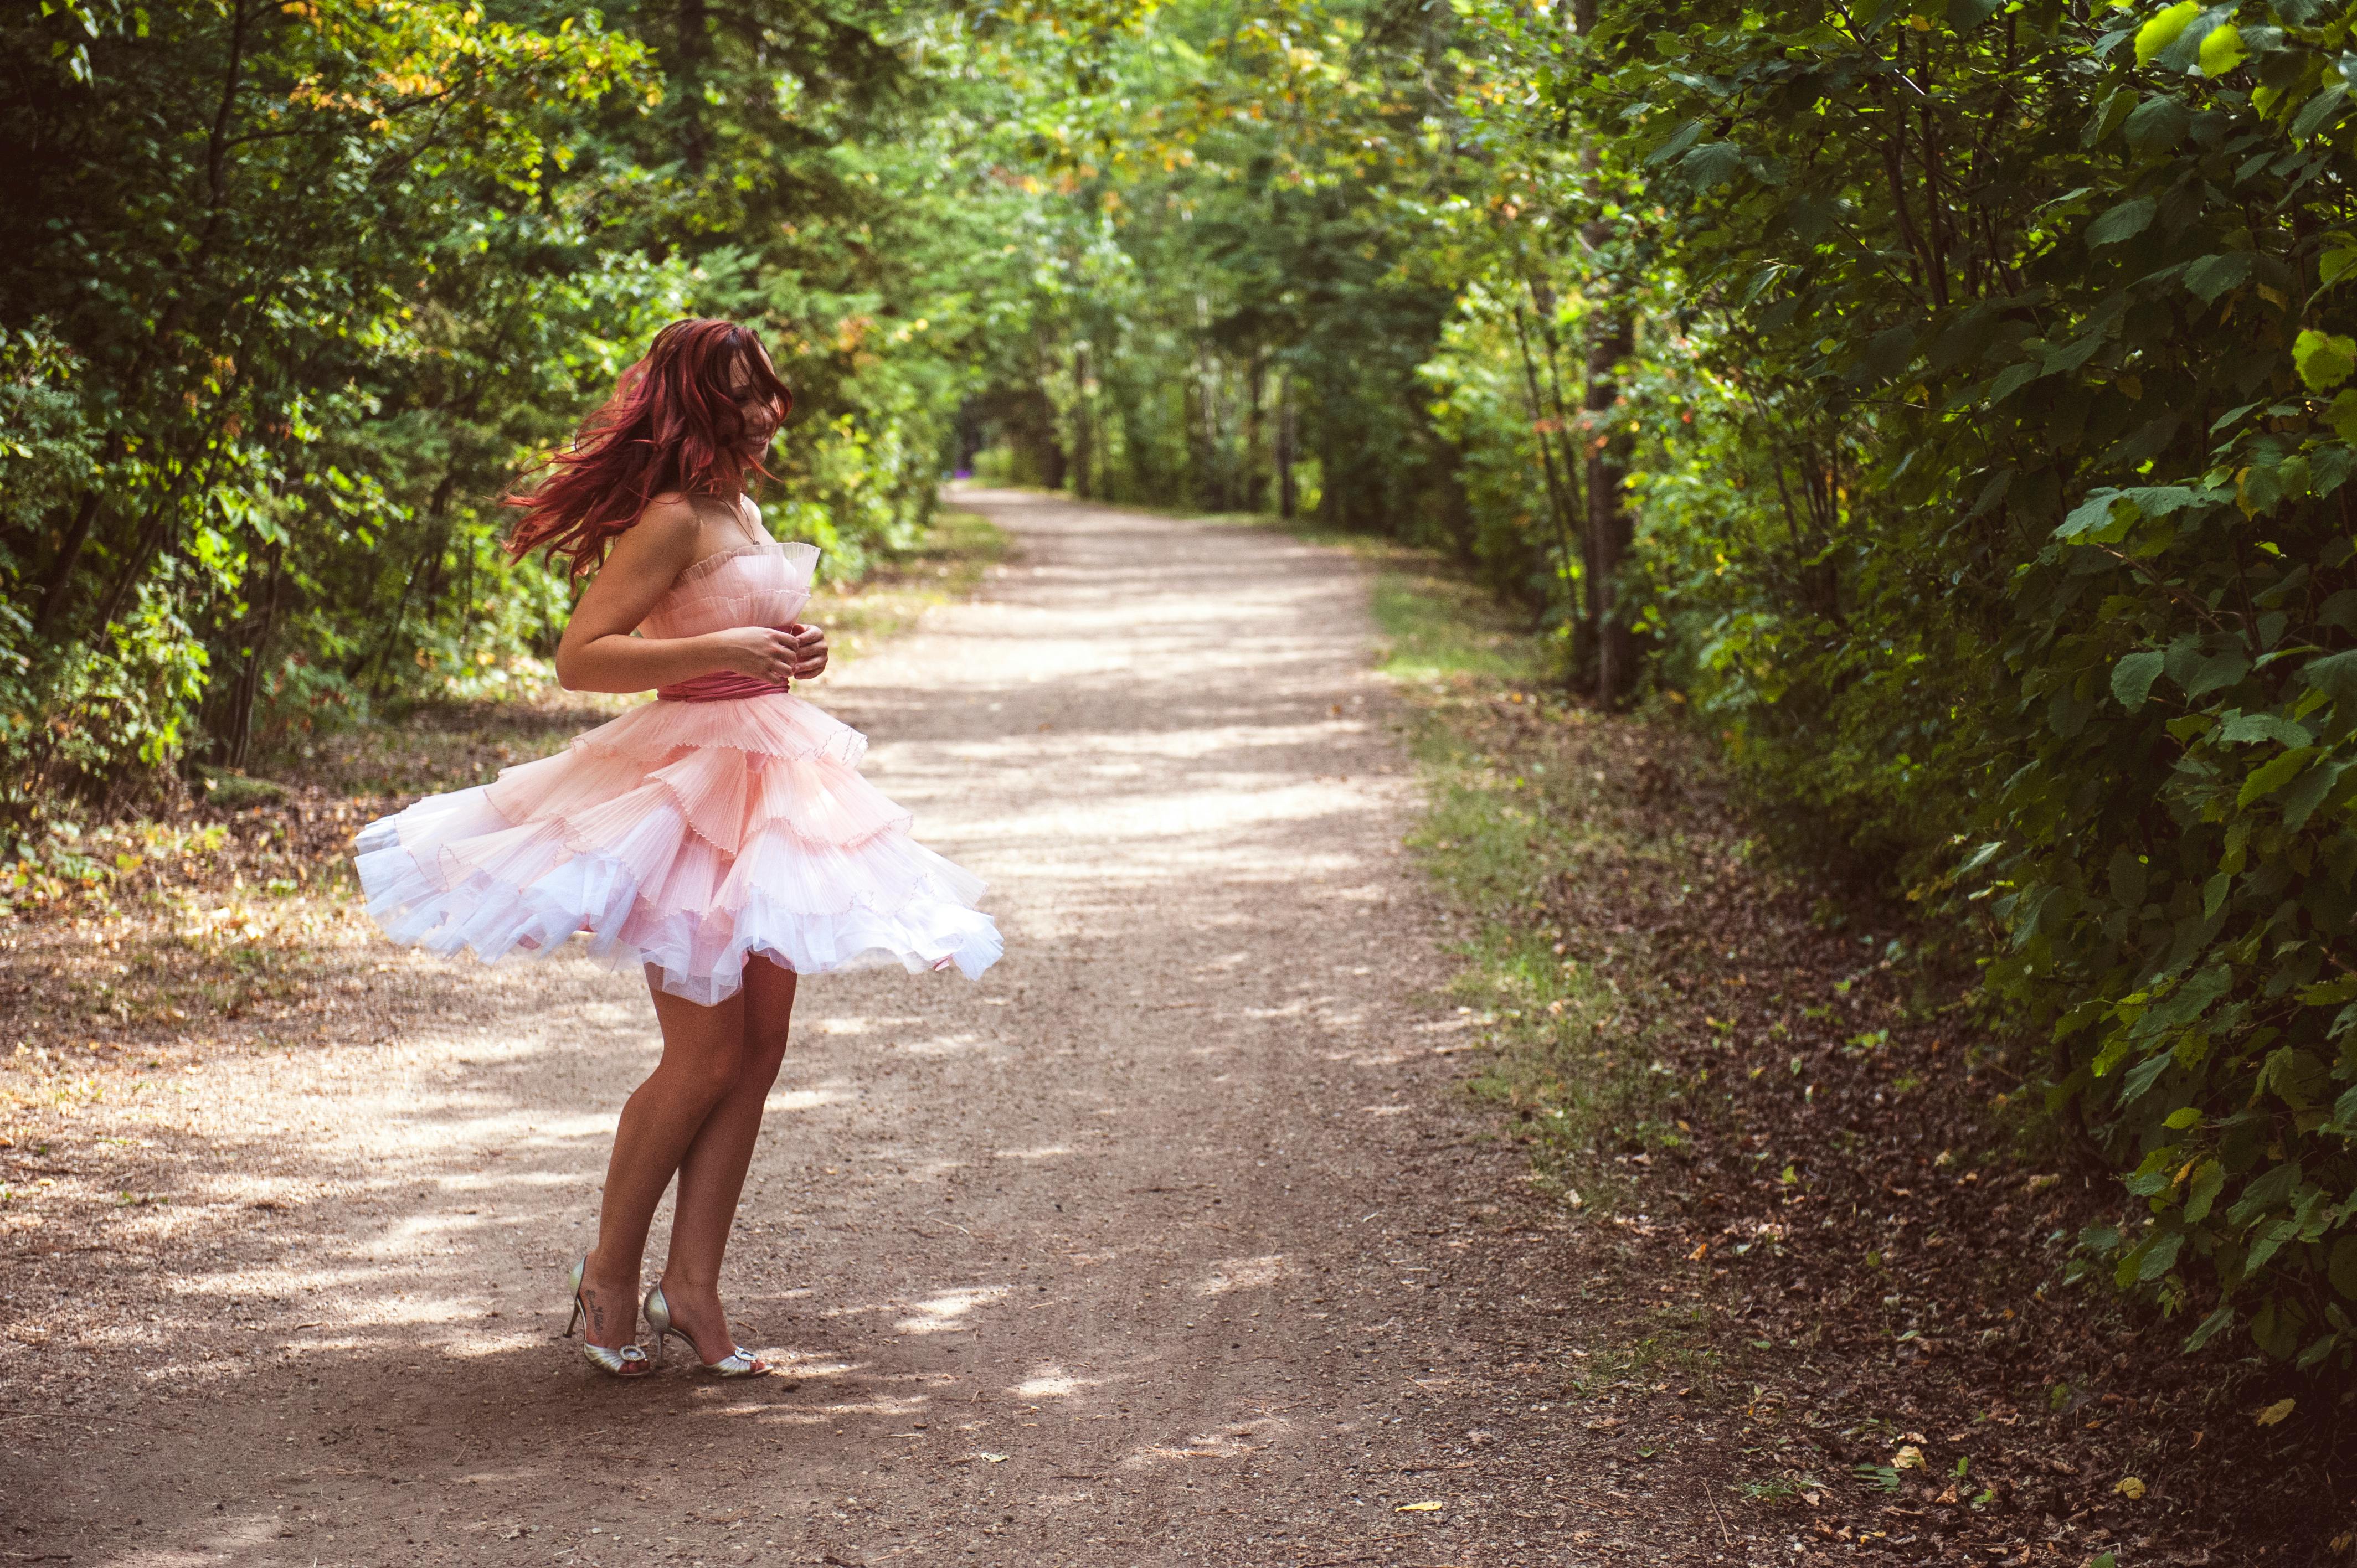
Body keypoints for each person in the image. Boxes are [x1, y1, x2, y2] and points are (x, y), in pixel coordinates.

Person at [352, 318, 1001, 1377]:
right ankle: (608, 1274)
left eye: (765, 391)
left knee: (759, 1051)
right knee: (702, 1054)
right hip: (688, 788)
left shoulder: (739, 506)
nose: (762, 409)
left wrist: (793, 651)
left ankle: (690, 1288)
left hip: (773, 779)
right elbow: (581, 657)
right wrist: (726, 646)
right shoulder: (666, 518)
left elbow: (742, 642)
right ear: (694, 404)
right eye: (738, 393)